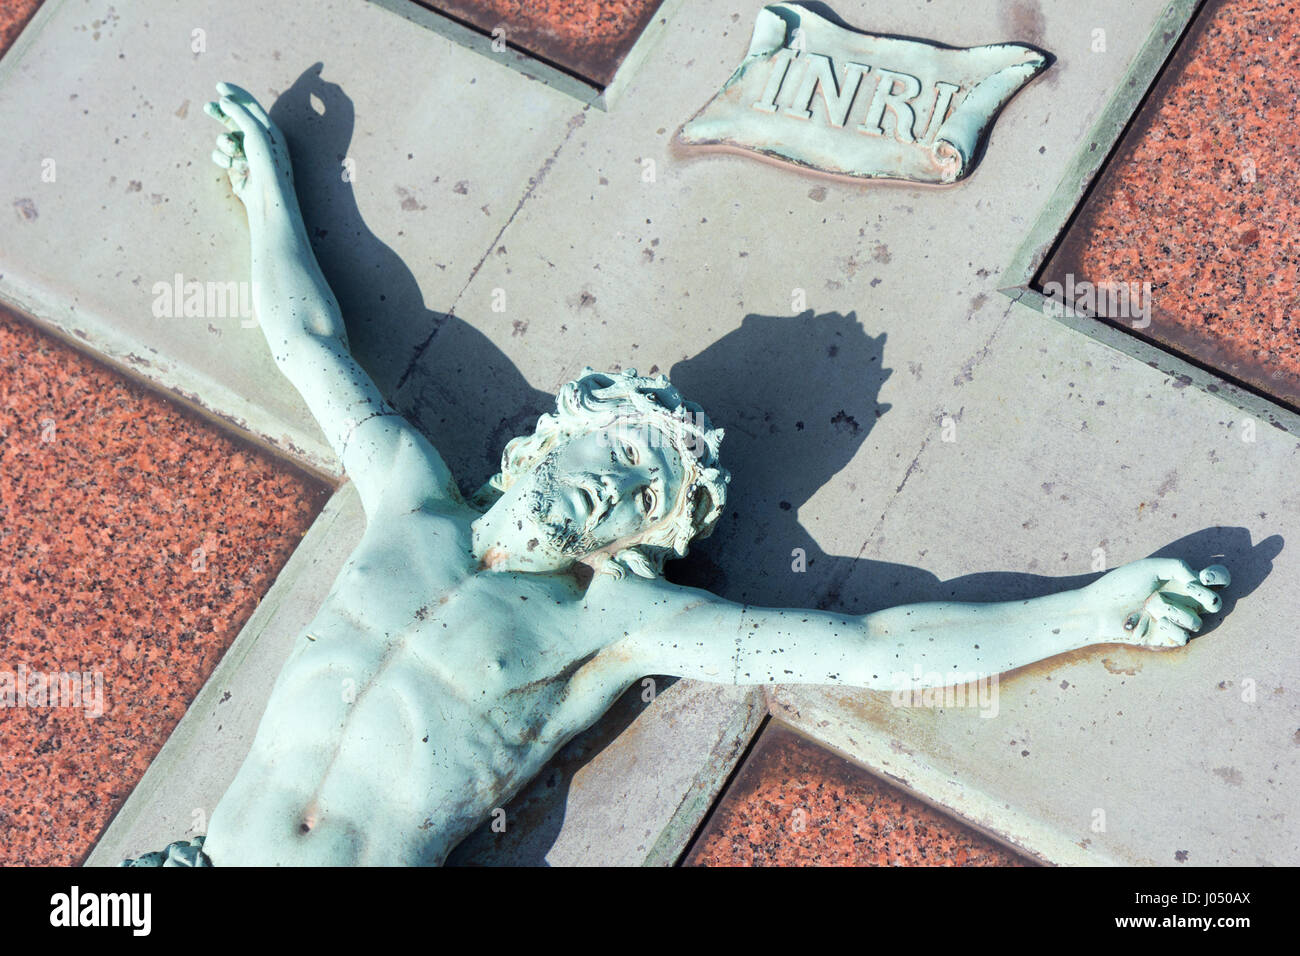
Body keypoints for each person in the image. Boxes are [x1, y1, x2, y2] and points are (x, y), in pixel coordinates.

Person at [122, 83, 1229, 866]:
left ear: (634, 539)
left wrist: (1088, 611)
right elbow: (308, 346)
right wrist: (268, 183)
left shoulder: (618, 620)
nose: (594, 497)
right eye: (600, 463)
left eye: (627, 498)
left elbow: (870, 647)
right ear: (540, 446)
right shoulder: (408, 495)